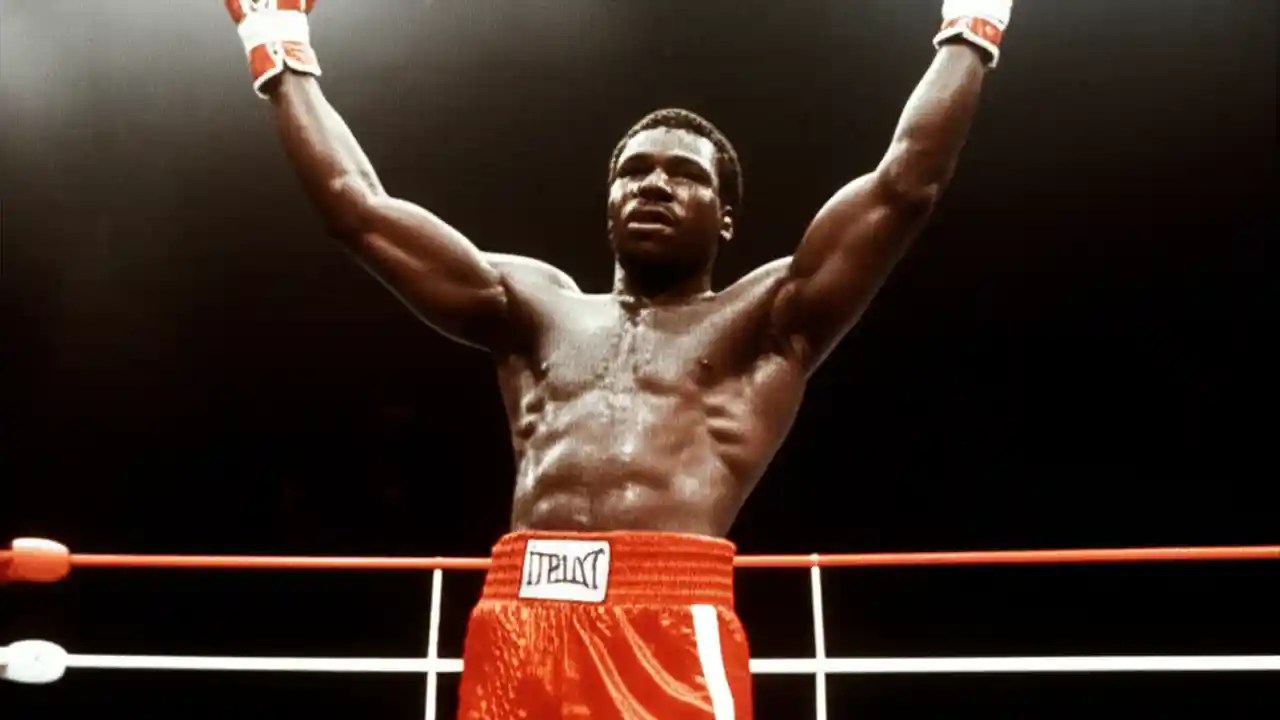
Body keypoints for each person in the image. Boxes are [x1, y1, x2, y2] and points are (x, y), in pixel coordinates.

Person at [222, 1, 1013, 717]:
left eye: (684, 175)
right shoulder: (533, 308)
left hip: (668, 617)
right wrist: (277, 43)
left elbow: (904, 186)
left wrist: (972, 22)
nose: (655, 185)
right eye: (634, 172)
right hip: (519, 617)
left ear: (726, 219)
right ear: (606, 205)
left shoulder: (768, 320)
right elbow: (361, 212)